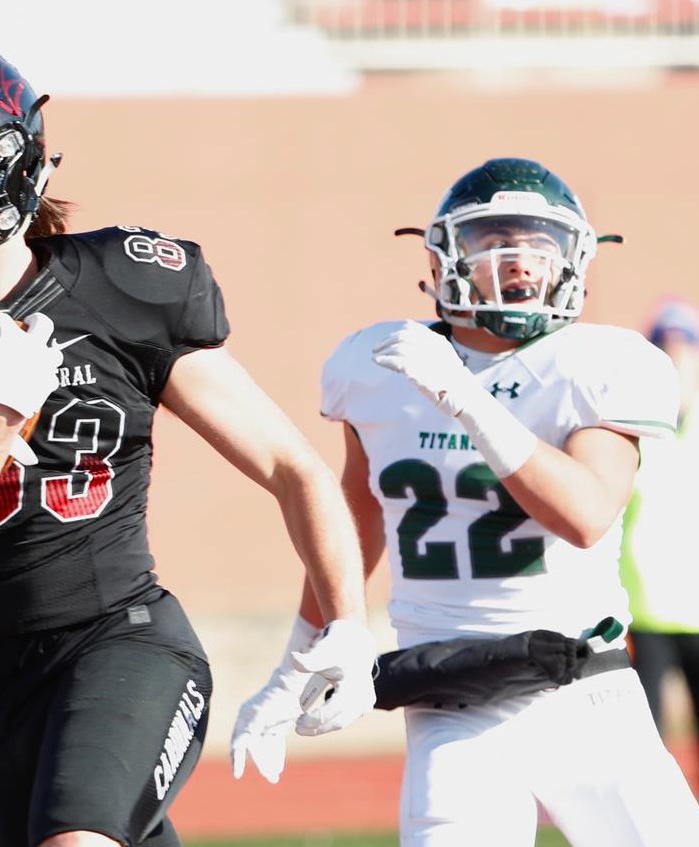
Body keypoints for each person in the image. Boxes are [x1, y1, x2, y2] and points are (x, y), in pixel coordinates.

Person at [0, 41, 377, 847]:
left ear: (13, 170)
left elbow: (293, 466)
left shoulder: (128, 287)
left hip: (120, 639)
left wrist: (340, 625)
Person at [231, 157, 699, 845]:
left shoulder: (602, 362)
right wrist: (301, 655)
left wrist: (466, 398)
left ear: (574, 257)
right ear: (445, 255)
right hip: (451, 698)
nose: (519, 262)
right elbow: (357, 519)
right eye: (494, 241)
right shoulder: (379, 362)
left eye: (540, 243)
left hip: (586, 690)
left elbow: (585, 512)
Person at [620, 296, 699, 785]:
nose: (675, 358)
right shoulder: (634, 433)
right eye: (663, 347)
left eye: (683, 347)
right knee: (642, 744)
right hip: (642, 614)